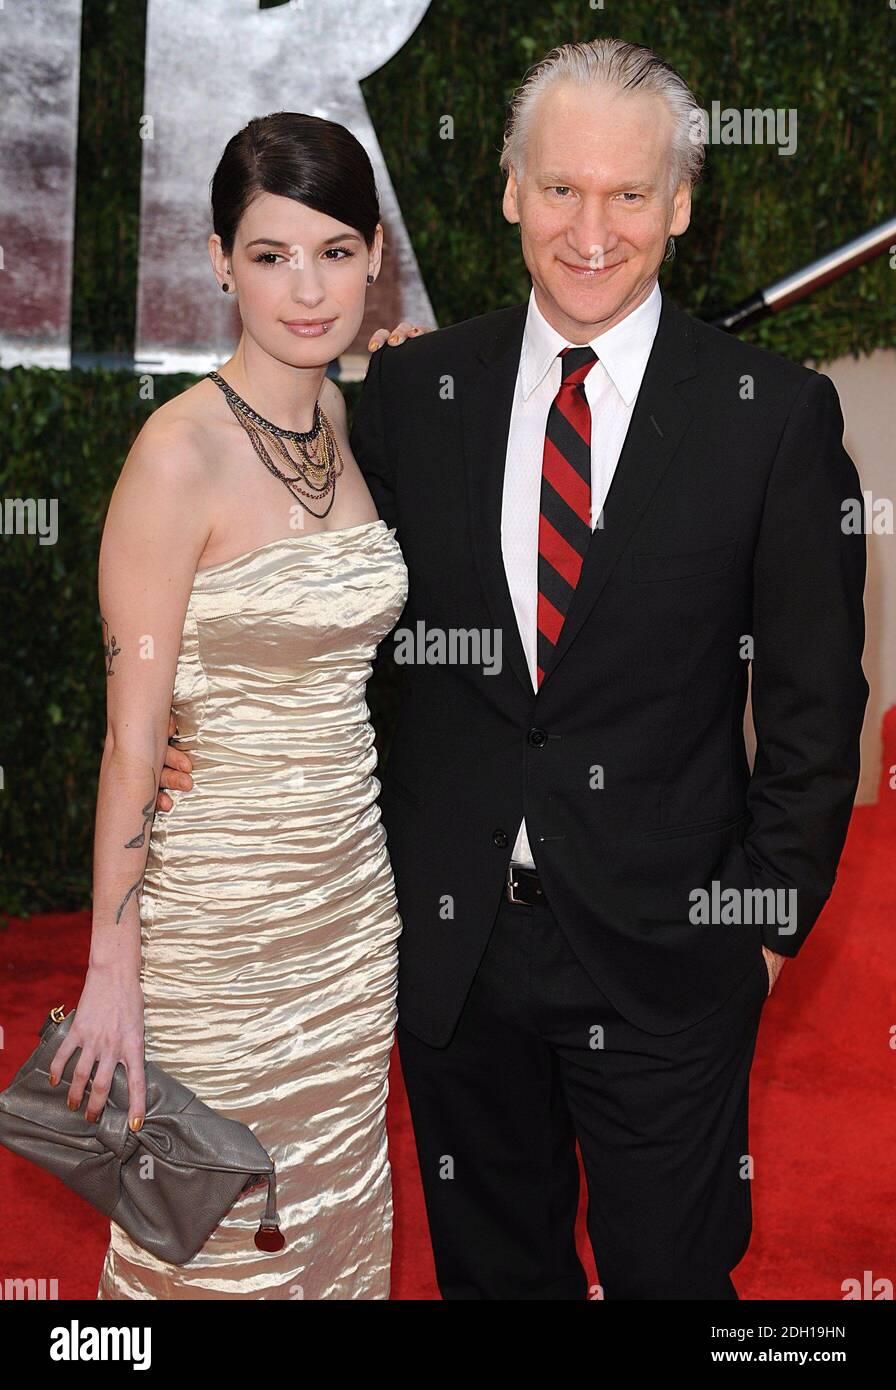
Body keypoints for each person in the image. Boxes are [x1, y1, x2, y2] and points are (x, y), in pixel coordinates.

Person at [162, 39, 869, 1300]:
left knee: (672, 1279)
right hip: (456, 958)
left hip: (670, 959)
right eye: (558, 188)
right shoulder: (412, 392)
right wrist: (197, 720)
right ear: (507, 191)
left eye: (626, 193)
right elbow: (329, 620)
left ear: (681, 205)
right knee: (493, 1278)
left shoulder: (772, 417)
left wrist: (754, 939)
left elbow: (818, 709)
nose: (588, 229)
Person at [49, 111, 408, 1299]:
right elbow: (131, 740)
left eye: (333, 252)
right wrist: (113, 967)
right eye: (269, 255)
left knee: (336, 1212)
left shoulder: (346, 422)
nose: (306, 290)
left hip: (350, 916)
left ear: (371, 256)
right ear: (217, 259)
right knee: (211, 1239)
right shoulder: (177, 457)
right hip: (218, 932)